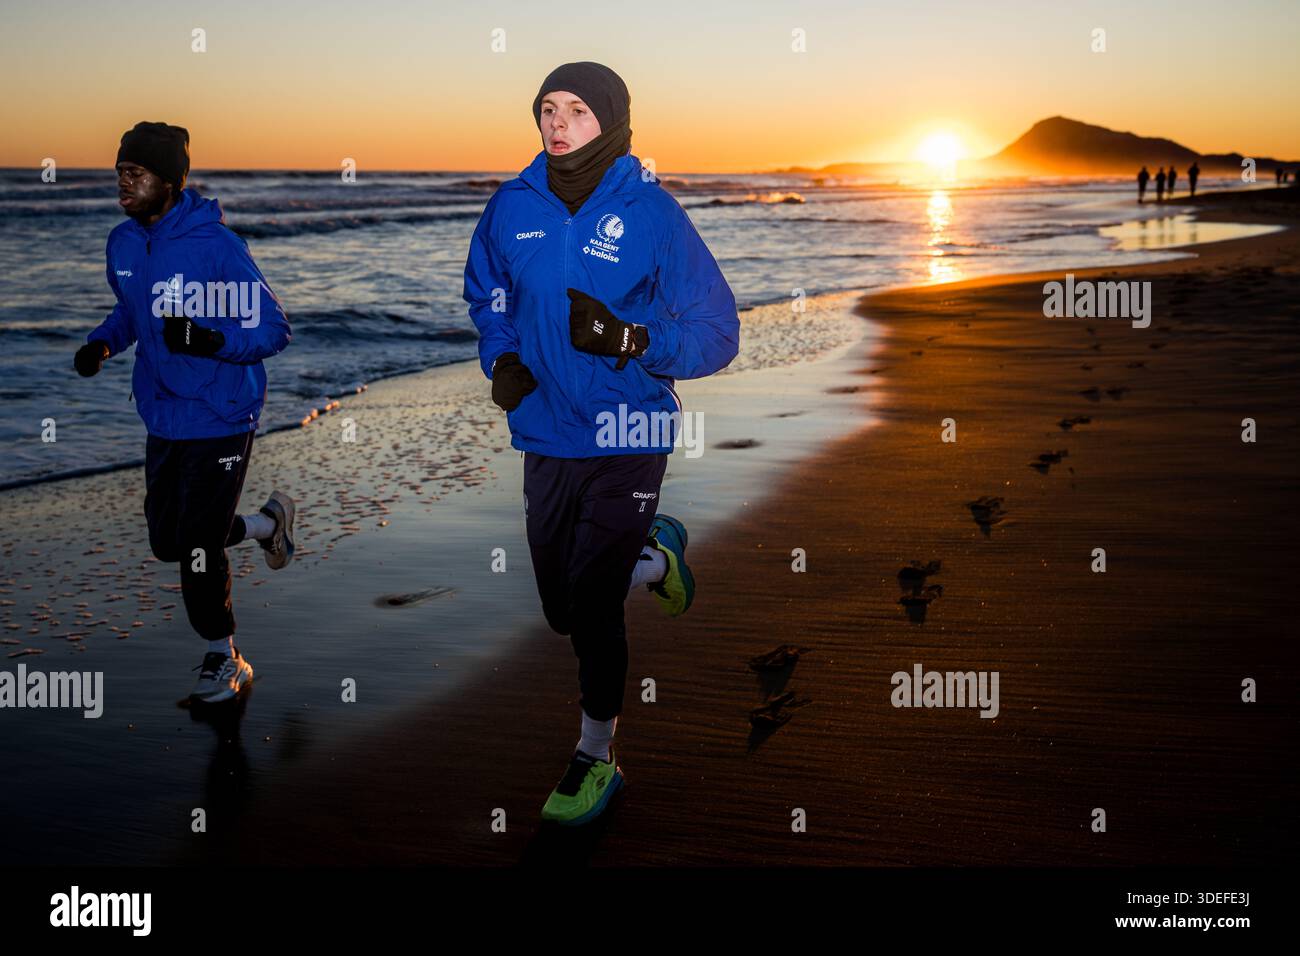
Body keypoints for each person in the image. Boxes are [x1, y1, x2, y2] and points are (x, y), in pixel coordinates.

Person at [462, 62, 740, 826]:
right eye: (547, 109)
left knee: (590, 604)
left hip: (631, 430)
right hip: (548, 432)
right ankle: (654, 557)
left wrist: (633, 338)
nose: (557, 124)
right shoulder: (510, 207)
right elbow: (487, 293)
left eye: (577, 111)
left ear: (612, 122)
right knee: (559, 605)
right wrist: (504, 357)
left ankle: (597, 754)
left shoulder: (651, 213)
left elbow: (718, 332)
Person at [74, 122, 295, 705]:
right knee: (168, 540)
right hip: (163, 413)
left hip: (222, 412)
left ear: (170, 183)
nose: (123, 182)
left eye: (136, 173)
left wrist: (208, 338)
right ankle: (267, 526)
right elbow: (129, 312)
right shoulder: (123, 243)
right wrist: (101, 343)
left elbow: (273, 329)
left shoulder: (217, 247)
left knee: (197, 545)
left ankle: (225, 658)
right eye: (120, 171)